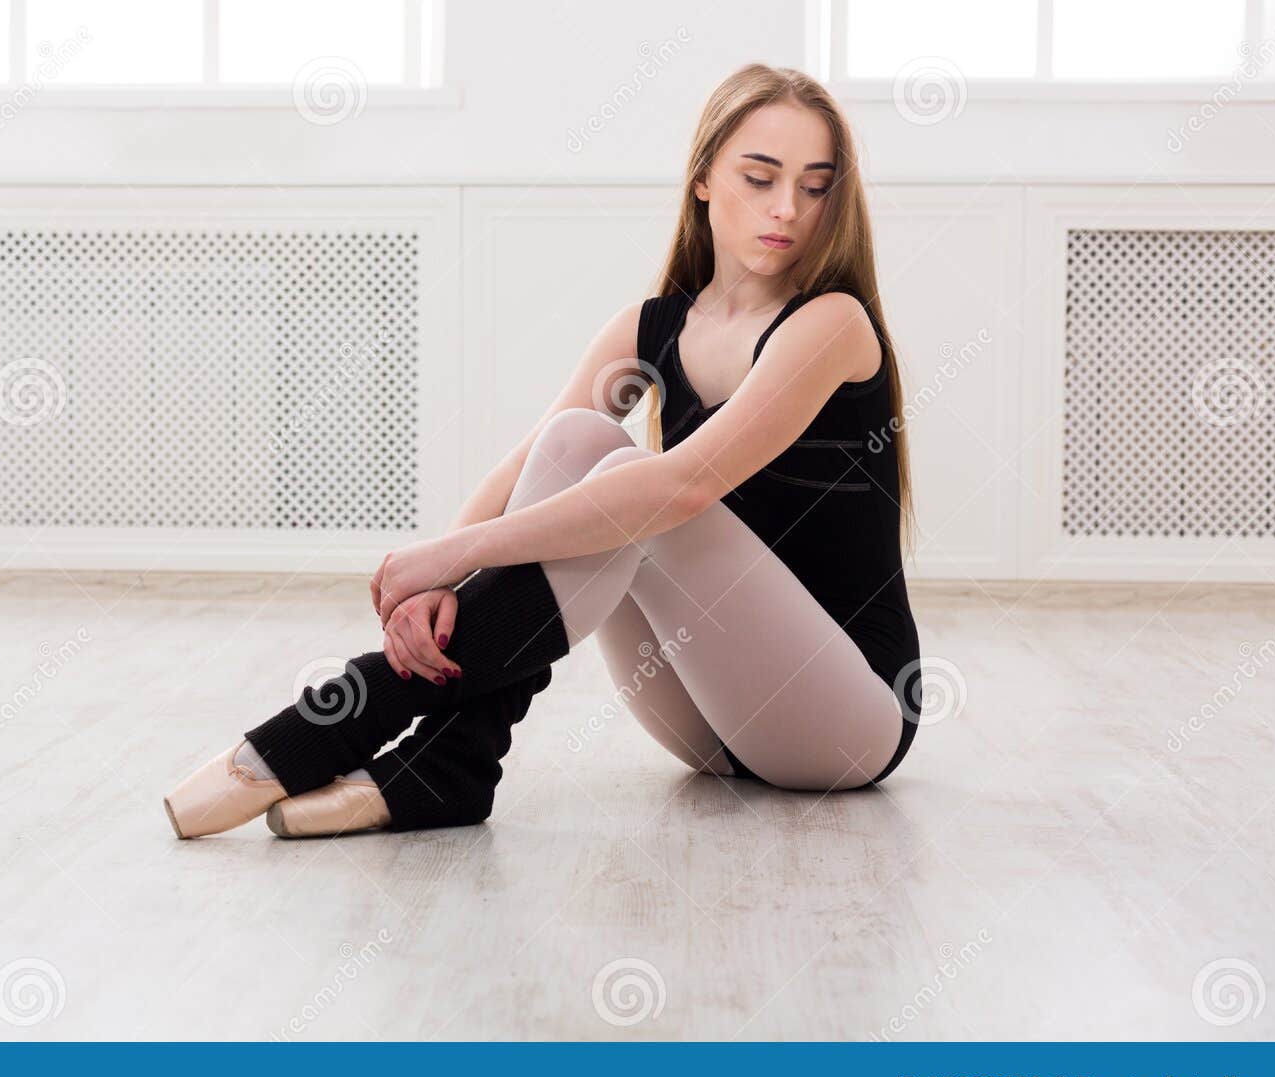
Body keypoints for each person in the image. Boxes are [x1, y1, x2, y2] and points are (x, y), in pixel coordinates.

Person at [163, 63, 924, 841]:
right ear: (702, 180)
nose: (788, 208)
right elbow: (531, 464)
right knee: (579, 440)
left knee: (644, 487)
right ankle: (451, 765)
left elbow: (684, 487)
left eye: (816, 185)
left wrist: (454, 554)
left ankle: (338, 721)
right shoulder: (651, 329)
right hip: (706, 726)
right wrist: (442, 583)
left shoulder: (831, 324)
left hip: (842, 723)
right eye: (759, 178)